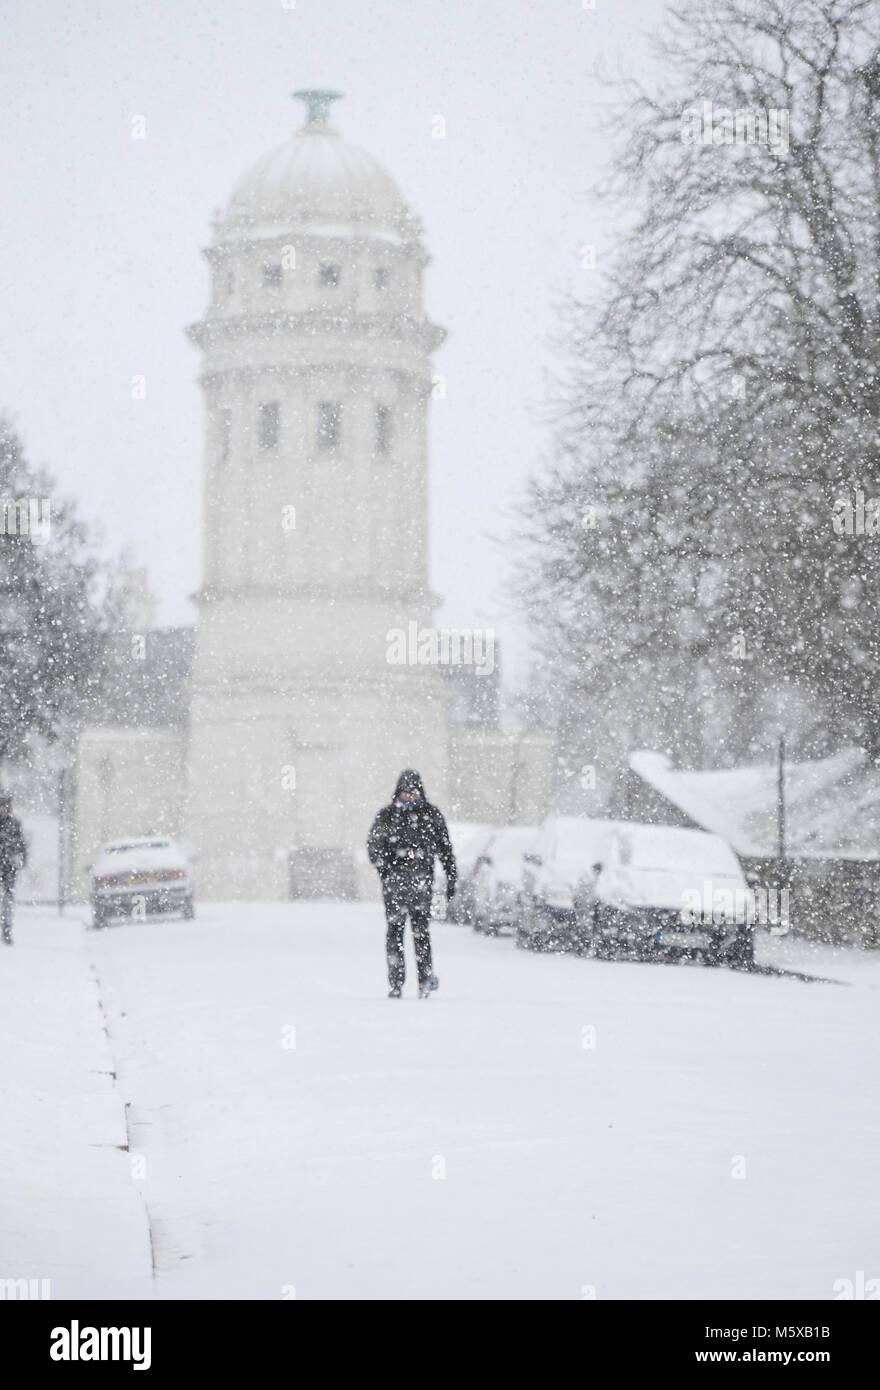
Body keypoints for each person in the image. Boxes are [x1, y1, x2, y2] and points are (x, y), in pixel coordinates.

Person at [367, 769, 457, 998]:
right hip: (395, 886)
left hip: (422, 885)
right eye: (406, 794)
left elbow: (445, 848)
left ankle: (425, 981)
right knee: (395, 933)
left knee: (421, 933)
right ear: (398, 793)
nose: (410, 798)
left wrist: (451, 876)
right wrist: (385, 870)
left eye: (414, 794)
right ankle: (396, 983)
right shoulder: (387, 816)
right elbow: (374, 845)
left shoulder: (431, 815)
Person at [0, 793, 27, 946]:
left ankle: (6, 928)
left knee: (8, 899)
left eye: (6, 806)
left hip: (9, 866)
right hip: (6, 864)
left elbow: (21, 843)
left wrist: (22, 859)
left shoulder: (14, 823)